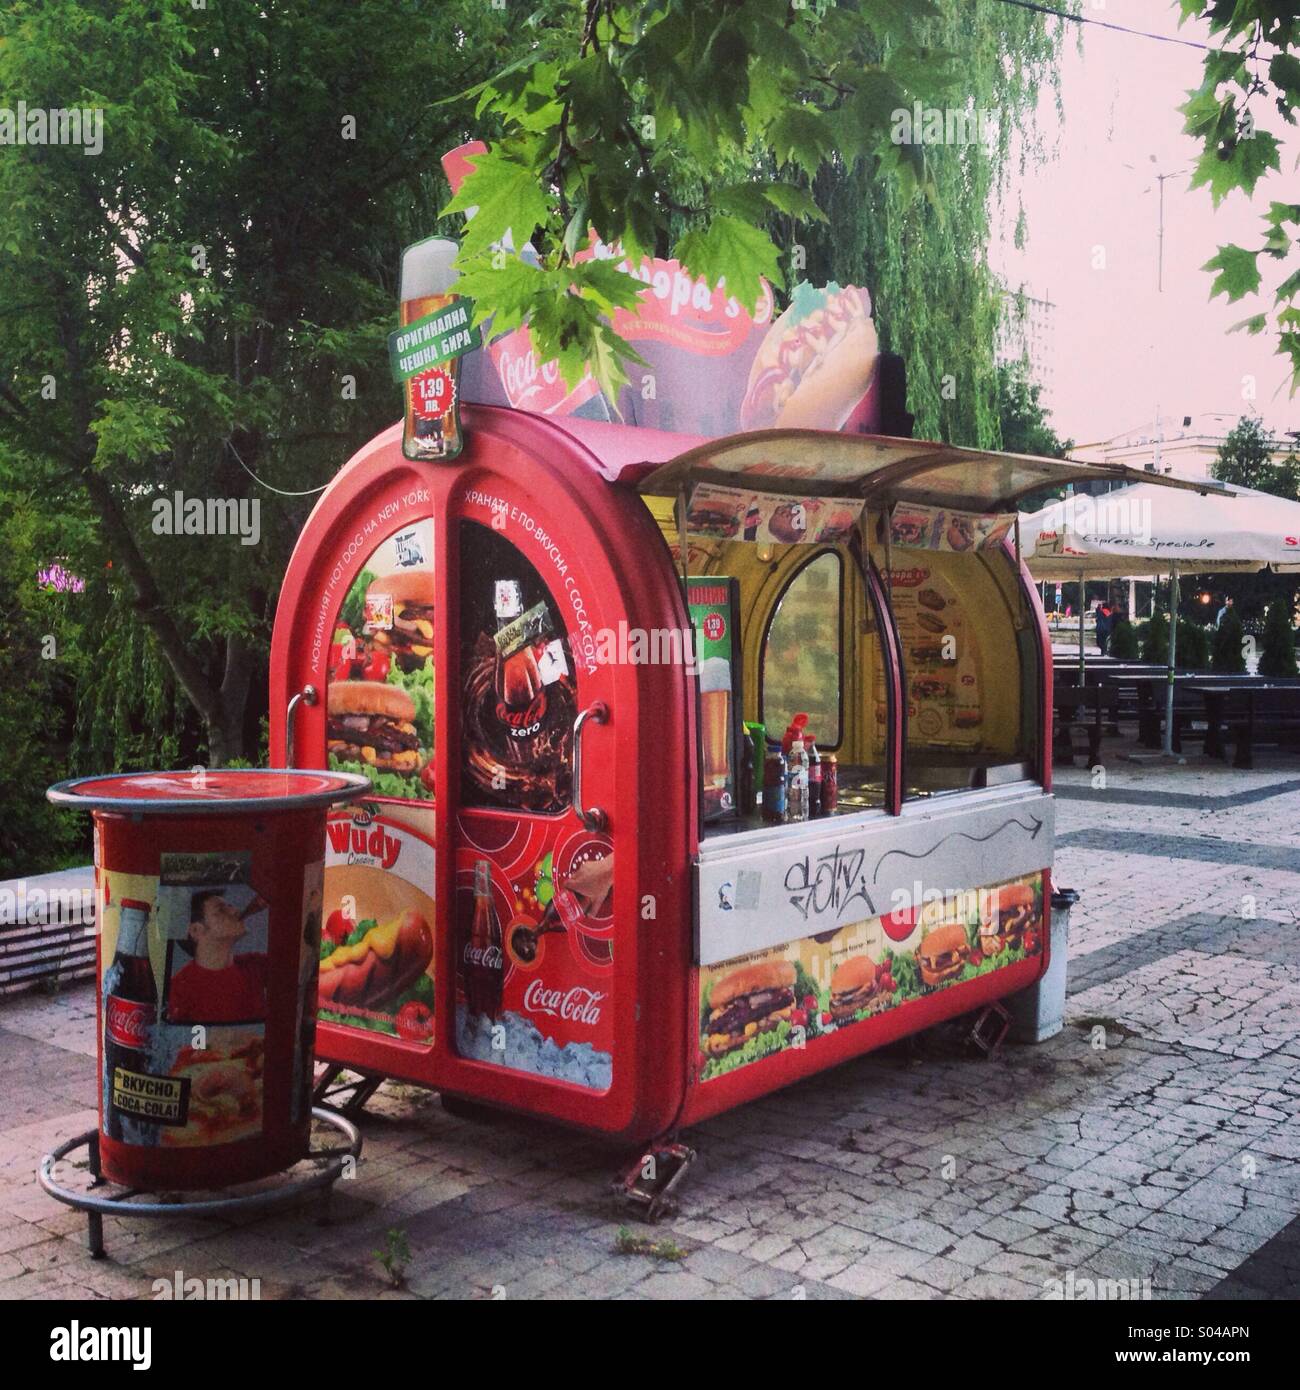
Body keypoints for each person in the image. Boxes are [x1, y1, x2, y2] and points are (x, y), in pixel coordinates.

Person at [167, 890, 269, 1023]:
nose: (235, 911)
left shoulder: (255, 965)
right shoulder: (179, 989)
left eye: (230, 906)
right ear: (196, 930)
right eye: (221, 910)